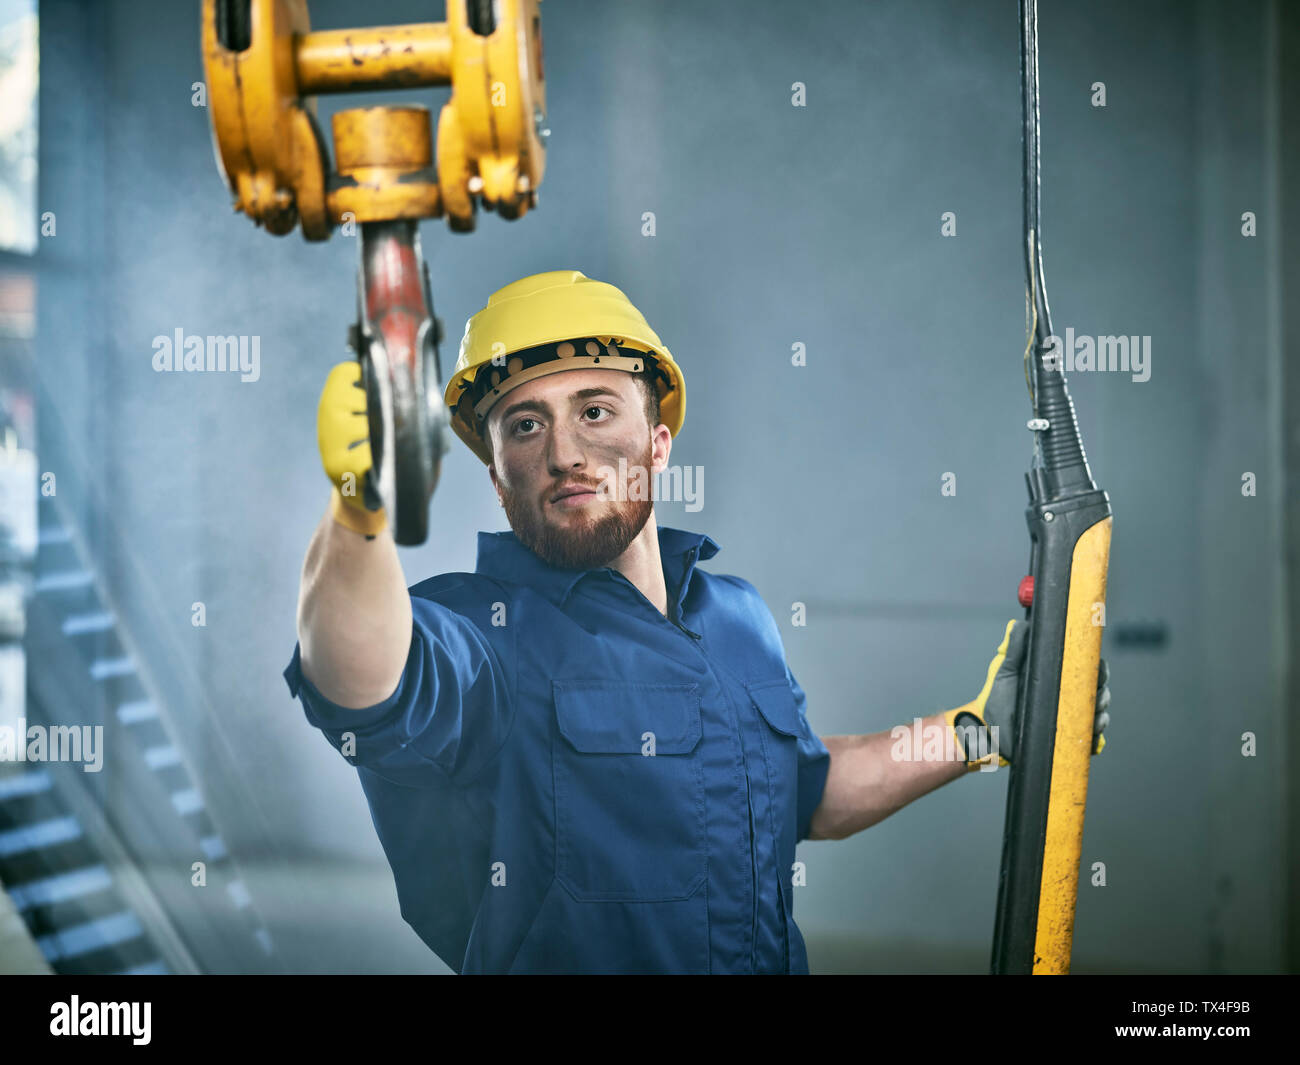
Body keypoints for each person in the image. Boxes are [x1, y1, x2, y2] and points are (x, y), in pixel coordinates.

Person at [283, 269, 1111, 974]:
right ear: (499, 479)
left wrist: (979, 729)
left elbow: (809, 792)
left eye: (596, 410)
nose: (564, 452)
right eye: (524, 425)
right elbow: (362, 680)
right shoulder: (481, 631)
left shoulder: (735, 616)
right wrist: (358, 504)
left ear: (660, 442)